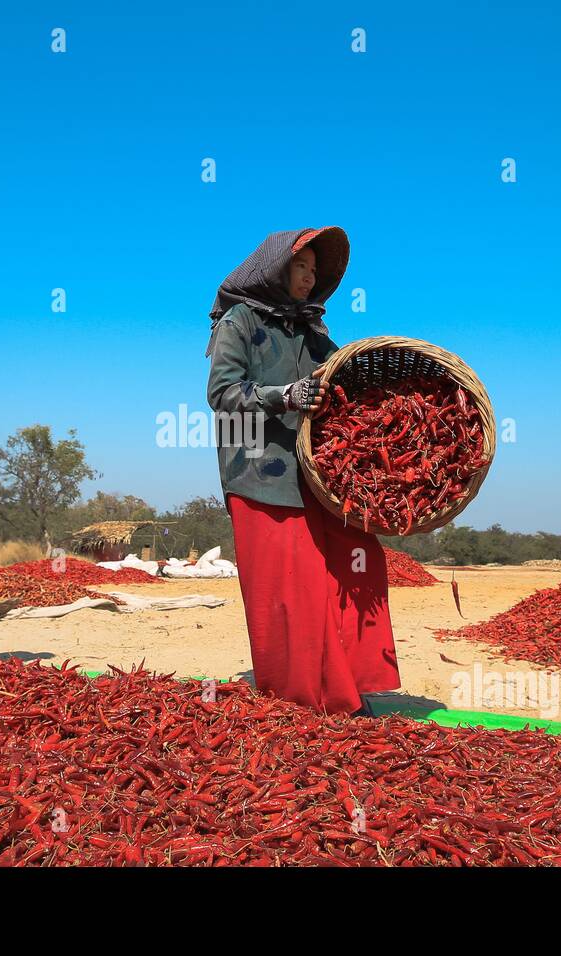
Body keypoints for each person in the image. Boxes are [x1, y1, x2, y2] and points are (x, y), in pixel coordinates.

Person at [205, 227, 399, 717]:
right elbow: (222, 394)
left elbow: (343, 387)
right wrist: (282, 396)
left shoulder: (316, 335)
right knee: (292, 585)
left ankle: (348, 682)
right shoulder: (240, 321)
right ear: (276, 267)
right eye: (302, 267)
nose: (310, 278)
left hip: (317, 477)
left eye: (315, 270)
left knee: (357, 564)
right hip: (260, 473)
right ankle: (304, 695)